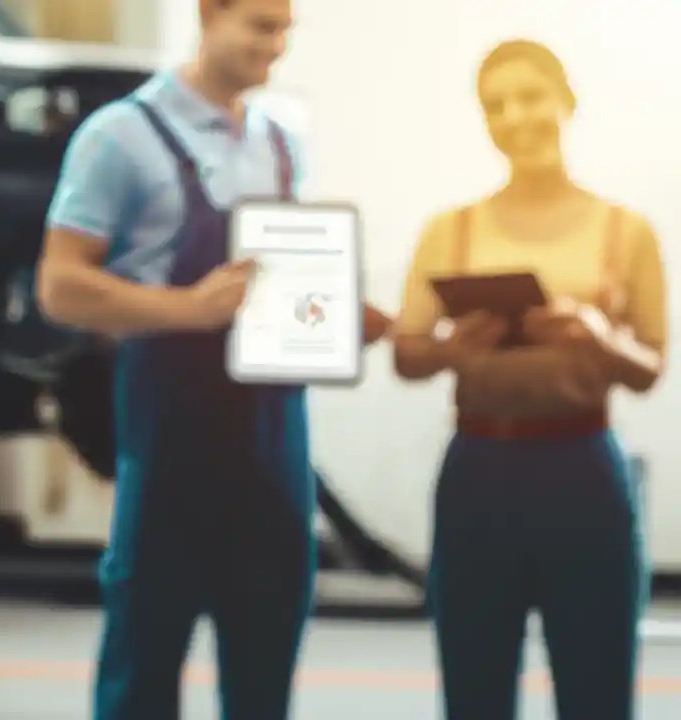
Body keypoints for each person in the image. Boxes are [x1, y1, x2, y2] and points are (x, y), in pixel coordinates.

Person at [36, 1, 389, 717]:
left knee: (267, 652)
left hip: (275, 430)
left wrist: (338, 318)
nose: (276, 47)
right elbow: (60, 286)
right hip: (171, 428)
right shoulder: (118, 137)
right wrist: (187, 310)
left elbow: (279, 283)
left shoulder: (284, 140)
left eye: (286, 29)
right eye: (261, 26)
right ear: (208, 13)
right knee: (145, 653)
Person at [392, 39, 667, 720]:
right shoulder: (448, 230)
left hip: (583, 470)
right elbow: (407, 353)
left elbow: (650, 367)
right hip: (480, 470)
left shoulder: (624, 231)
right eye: (496, 104)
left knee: (597, 682)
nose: (516, 116)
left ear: (566, 101)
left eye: (531, 96)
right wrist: (456, 349)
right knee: (474, 683)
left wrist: (600, 340)